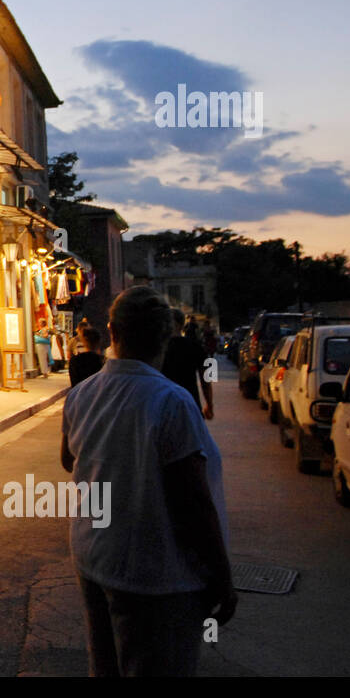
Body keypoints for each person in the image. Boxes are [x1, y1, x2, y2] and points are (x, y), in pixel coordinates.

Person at [60, 286, 235, 676]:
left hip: (93, 556)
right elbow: (193, 502)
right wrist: (222, 576)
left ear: (111, 331)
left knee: (104, 666)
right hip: (155, 575)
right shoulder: (171, 401)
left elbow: (68, 458)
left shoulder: (81, 395)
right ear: (165, 338)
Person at [161, 309, 214, 420]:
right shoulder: (196, 346)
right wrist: (210, 405)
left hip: (162, 407)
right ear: (182, 324)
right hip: (190, 404)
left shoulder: (158, 349)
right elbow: (207, 380)